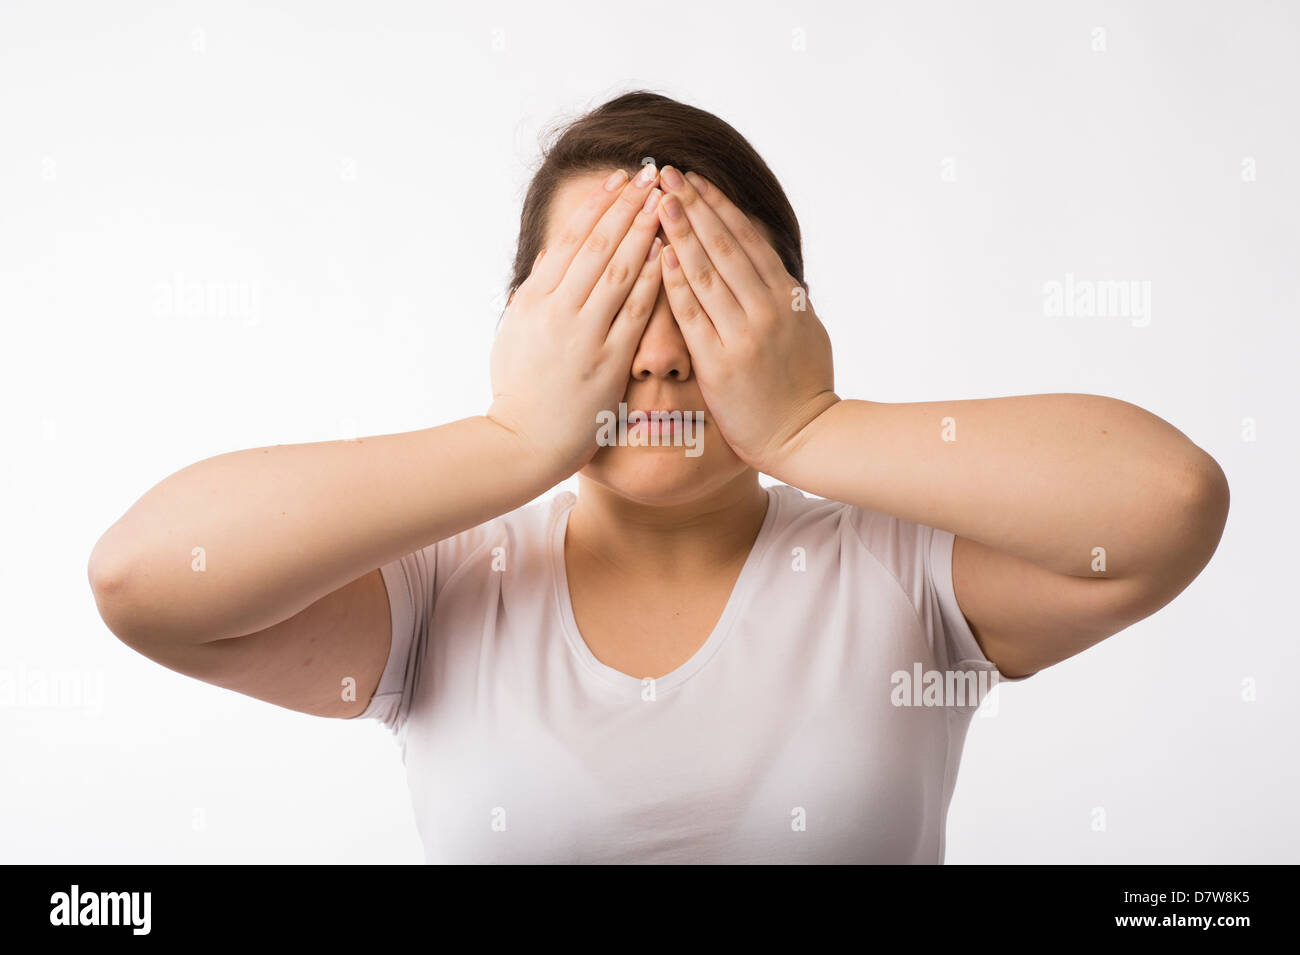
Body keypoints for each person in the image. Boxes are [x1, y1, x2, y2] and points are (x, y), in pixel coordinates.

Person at [87, 91, 1229, 863]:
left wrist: (808, 424)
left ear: (787, 317)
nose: (659, 349)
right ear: (523, 326)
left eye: (698, 291)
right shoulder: (442, 591)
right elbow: (145, 580)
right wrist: (509, 442)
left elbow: (1165, 505)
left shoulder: (905, 569)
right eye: (606, 295)